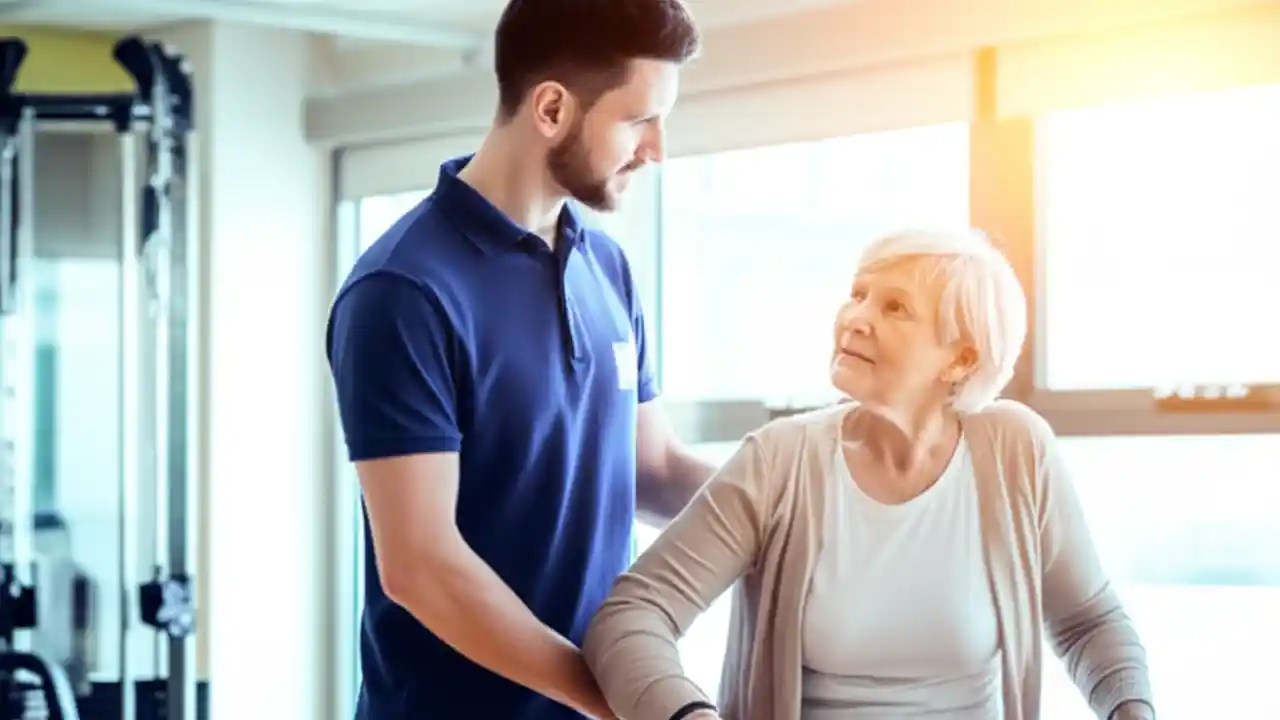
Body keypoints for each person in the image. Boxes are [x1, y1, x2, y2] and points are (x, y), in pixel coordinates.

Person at [583, 228, 1157, 720]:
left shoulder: (1015, 449)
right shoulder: (781, 459)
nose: (856, 319)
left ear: (960, 359)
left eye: (894, 307)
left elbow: (1088, 622)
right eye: (857, 294)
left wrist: (1132, 709)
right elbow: (633, 617)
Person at [325, 1, 715, 719]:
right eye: (638, 120)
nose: (657, 148)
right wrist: (608, 695)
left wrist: (803, 507)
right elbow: (421, 566)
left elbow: (655, 471)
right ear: (551, 108)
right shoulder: (403, 290)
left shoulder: (607, 267)